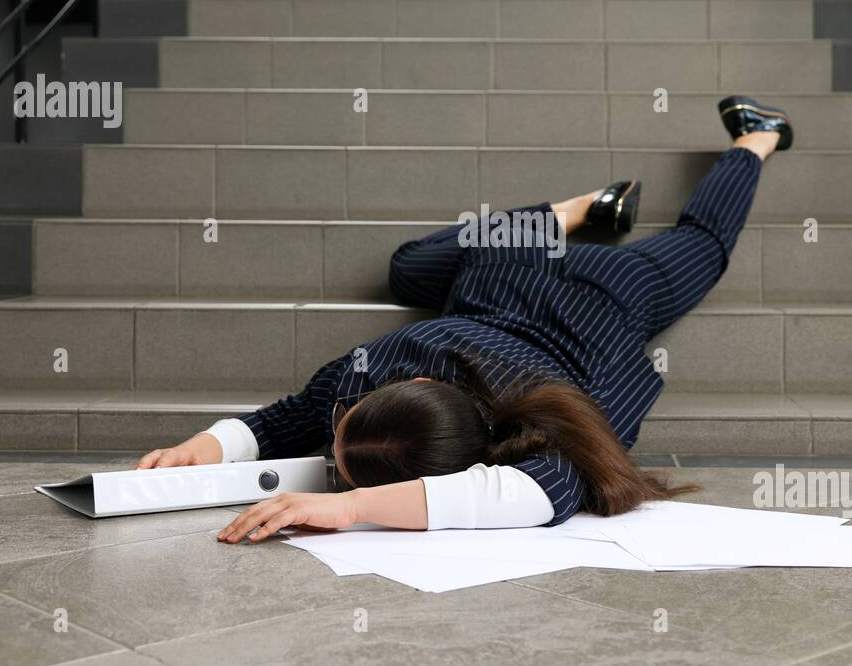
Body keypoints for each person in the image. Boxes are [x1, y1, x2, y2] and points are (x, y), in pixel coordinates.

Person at [137, 96, 793, 544]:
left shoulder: (511, 425)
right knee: (405, 268)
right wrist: (202, 447)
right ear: (414, 387)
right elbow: (282, 420)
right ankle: (580, 208)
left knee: (703, 245)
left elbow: (530, 494)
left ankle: (757, 136)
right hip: (508, 274)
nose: (329, 424)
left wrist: (354, 506)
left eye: (334, 440)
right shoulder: (390, 373)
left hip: (600, 292)